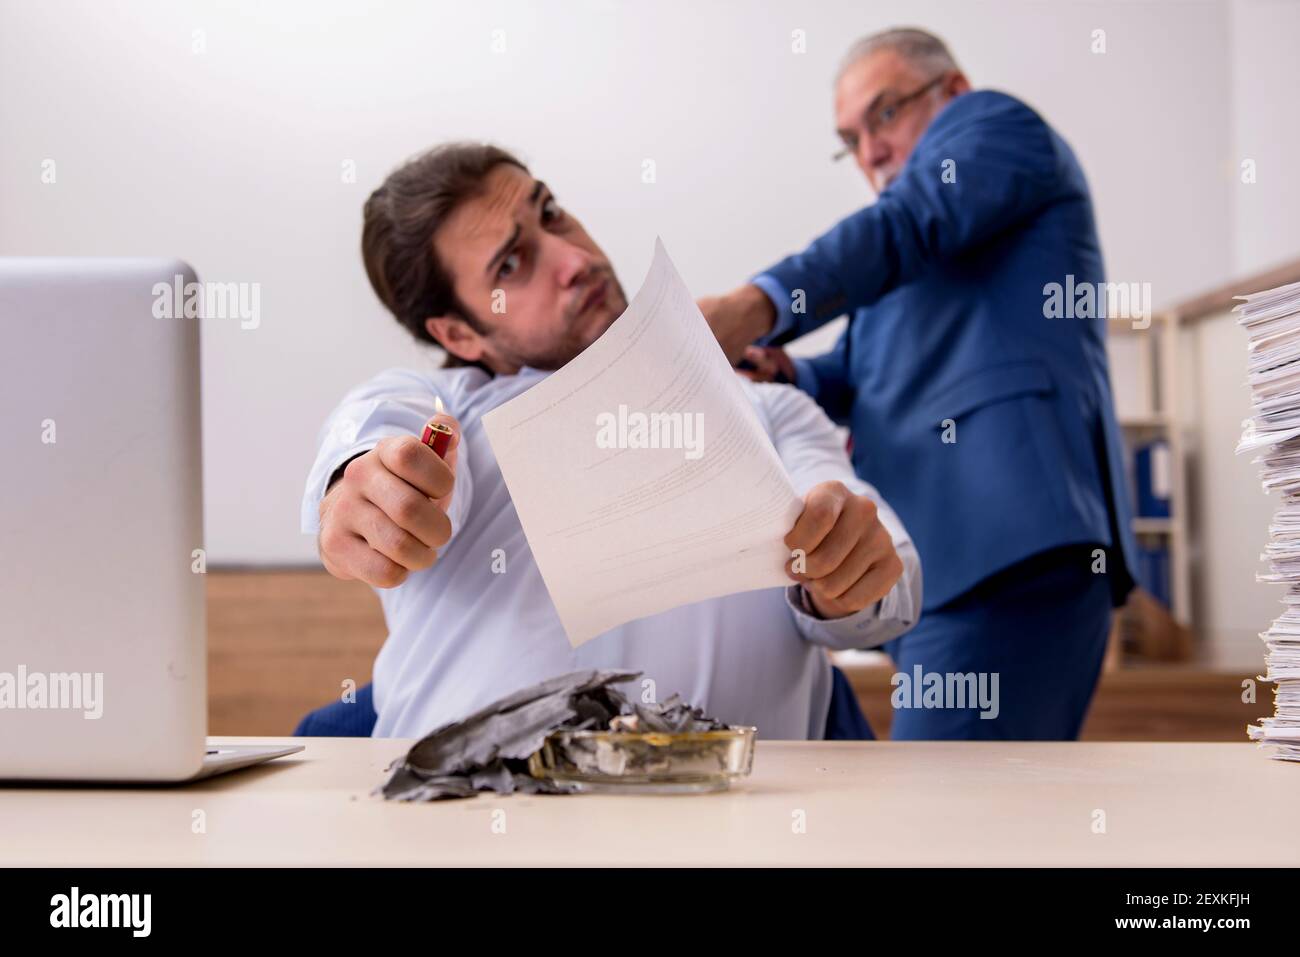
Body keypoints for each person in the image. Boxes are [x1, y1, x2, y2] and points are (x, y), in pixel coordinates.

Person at [300, 142, 922, 740]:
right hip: (470, 830)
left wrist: (849, 572)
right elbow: (371, 438)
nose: (572, 259)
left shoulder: (770, 410)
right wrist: (366, 490)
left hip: (734, 831)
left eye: (549, 214)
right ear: (460, 335)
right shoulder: (446, 411)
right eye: (511, 264)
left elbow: (890, 593)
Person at [698, 28, 1137, 740]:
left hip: (1005, 548)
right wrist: (791, 370)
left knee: (937, 825)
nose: (869, 150)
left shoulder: (994, 130)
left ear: (953, 93)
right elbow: (863, 372)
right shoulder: (899, 254)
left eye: (885, 113)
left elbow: (906, 225)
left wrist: (758, 303)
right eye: (851, 137)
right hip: (935, 570)